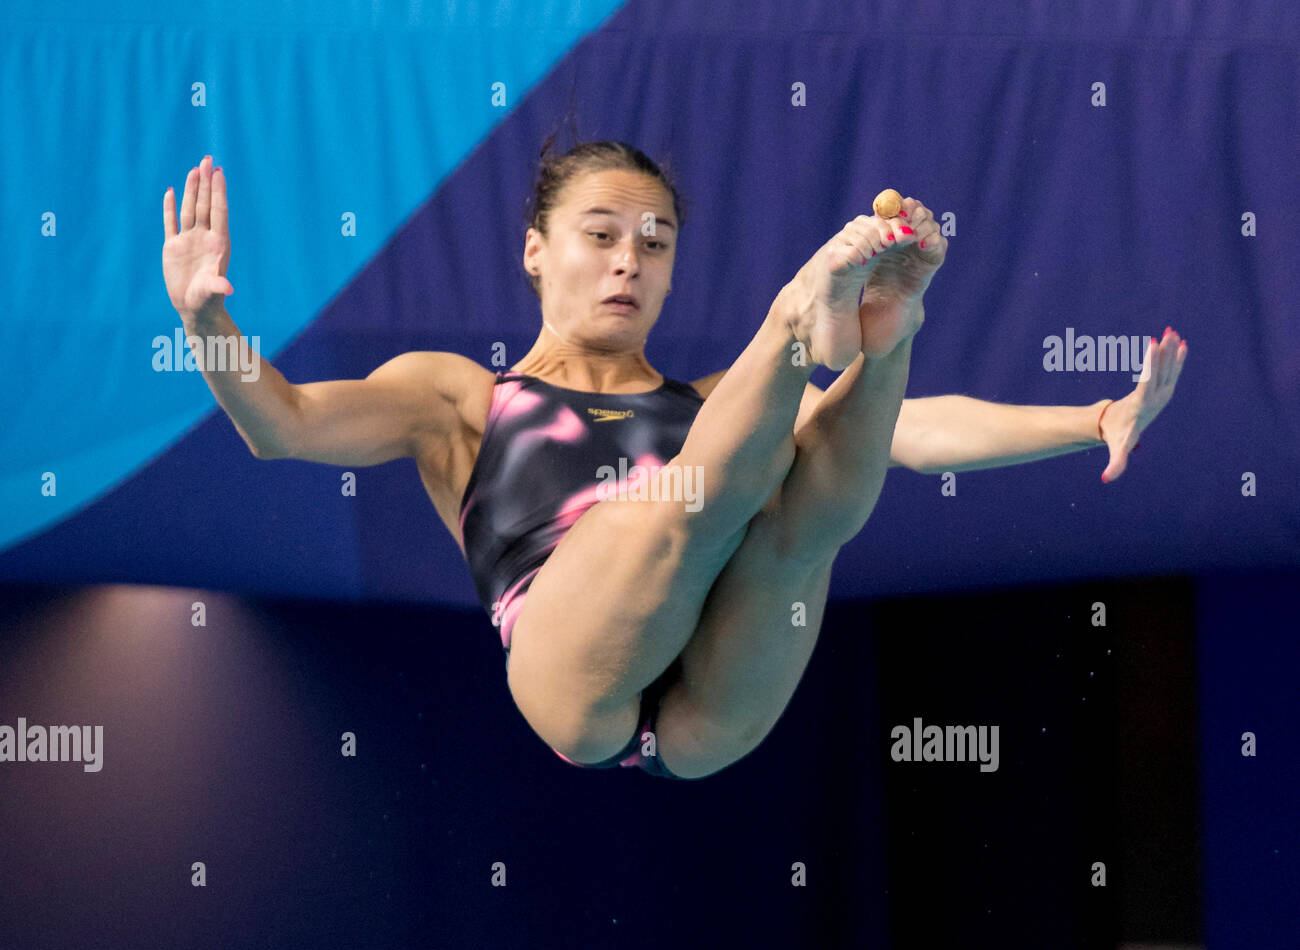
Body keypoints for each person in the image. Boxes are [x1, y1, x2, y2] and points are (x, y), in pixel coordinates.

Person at [161, 143, 1187, 781]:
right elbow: (281, 424)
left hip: (711, 717)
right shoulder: (461, 395)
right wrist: (206, 319)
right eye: (600, 234)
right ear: (533, 249)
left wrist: (1093, 414)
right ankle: (803, 313)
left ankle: (888, 320)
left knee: (809, 513)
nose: (627, 260)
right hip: (570, 673)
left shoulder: (708, 408)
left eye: (654, 244)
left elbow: (916, 435)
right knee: (668, 502)